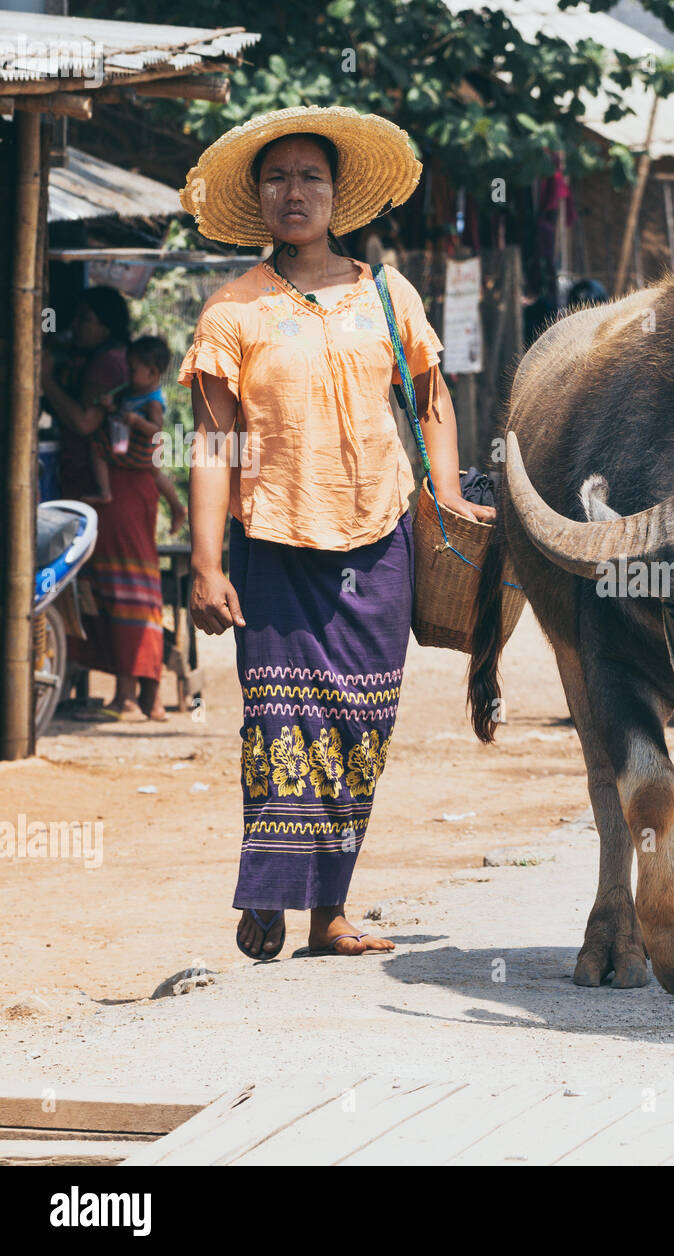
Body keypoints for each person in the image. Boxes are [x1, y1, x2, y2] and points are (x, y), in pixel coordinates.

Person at [178, 106, 493, 962]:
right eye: (277, 178)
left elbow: (431, 400)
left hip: (379, 536)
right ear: (259, 199)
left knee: (361, 722)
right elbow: (215, 443)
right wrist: (206, 565)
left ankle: (332, 912)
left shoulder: (389, 294)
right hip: (272, 539)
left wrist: (450, 495)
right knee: (284, 723)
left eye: (311, 176)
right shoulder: (232, 312)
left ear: (338, 195)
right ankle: (271, 898)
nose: (295, 192)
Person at [41, 288, 168, 721]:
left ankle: (132, 695)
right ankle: (138, 695)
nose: (79, 326)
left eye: (87, 318)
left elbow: (85, 421)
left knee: (125, 589)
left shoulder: (114, 368)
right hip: (111, 493)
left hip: (120, 496)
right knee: (112, 589)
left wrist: (45, 381)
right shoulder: (118, 367)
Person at [86, 336, 188, 537]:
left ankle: (104, 491)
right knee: (157, 474)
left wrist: (138, 422)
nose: (128, 374)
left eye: (132, 370)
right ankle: (176, 505)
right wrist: (111, 406)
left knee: (96, 446)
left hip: (140, 450)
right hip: (142, 453)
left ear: (152, 372)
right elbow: (122, 413)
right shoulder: (132, 391)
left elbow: (157, 429)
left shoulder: (153, 402)